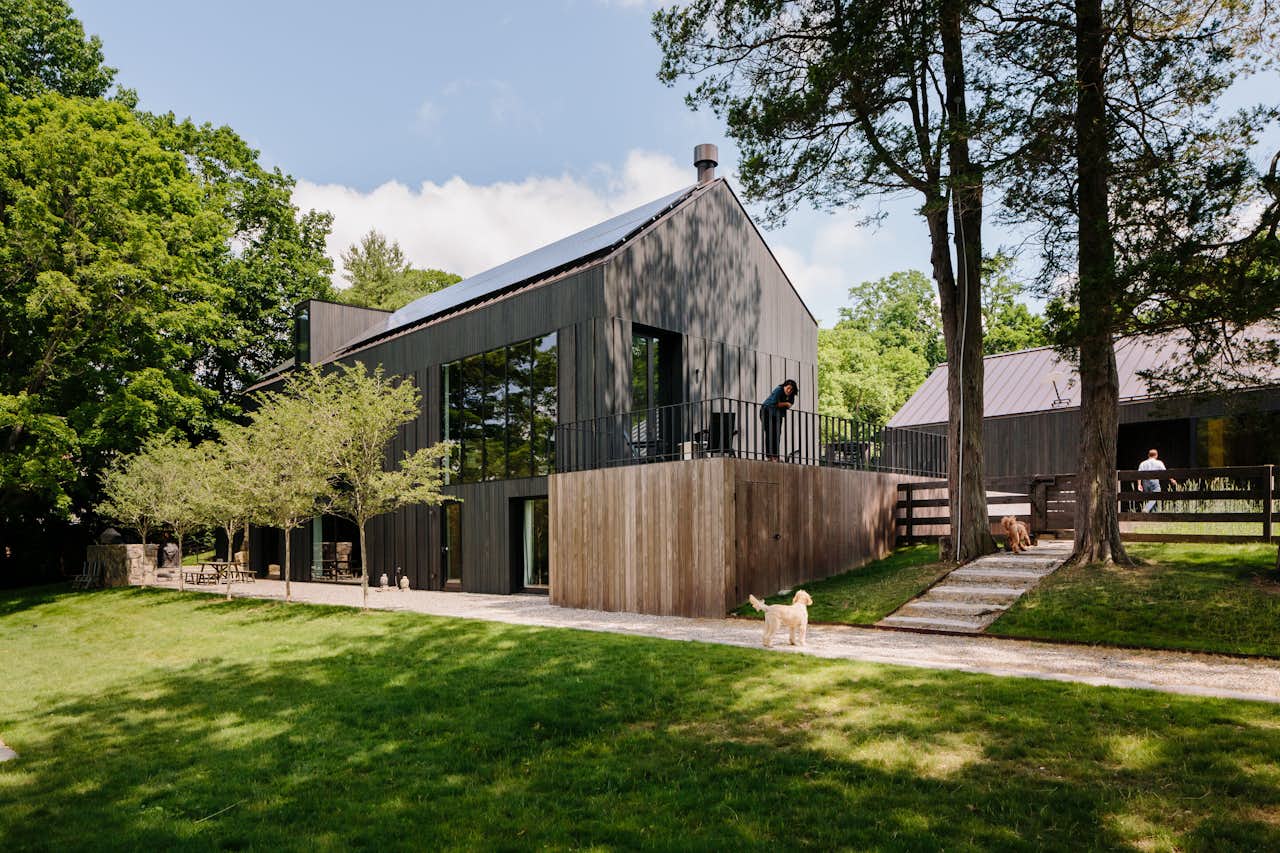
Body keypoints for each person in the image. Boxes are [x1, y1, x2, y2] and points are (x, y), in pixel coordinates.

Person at [759, 379, 798, 461]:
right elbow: (774, 403)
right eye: (788, 388)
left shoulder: (791, 395)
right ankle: (769, 456)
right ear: (784, 386)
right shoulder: (779, 390)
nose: (789, 390)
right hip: (767, 411)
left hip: (778, 414)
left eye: (791, 389)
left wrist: (784, 404)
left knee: (777, 434)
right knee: (770, 433)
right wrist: (785, 403)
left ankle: (775, 456)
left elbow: (790, 404)